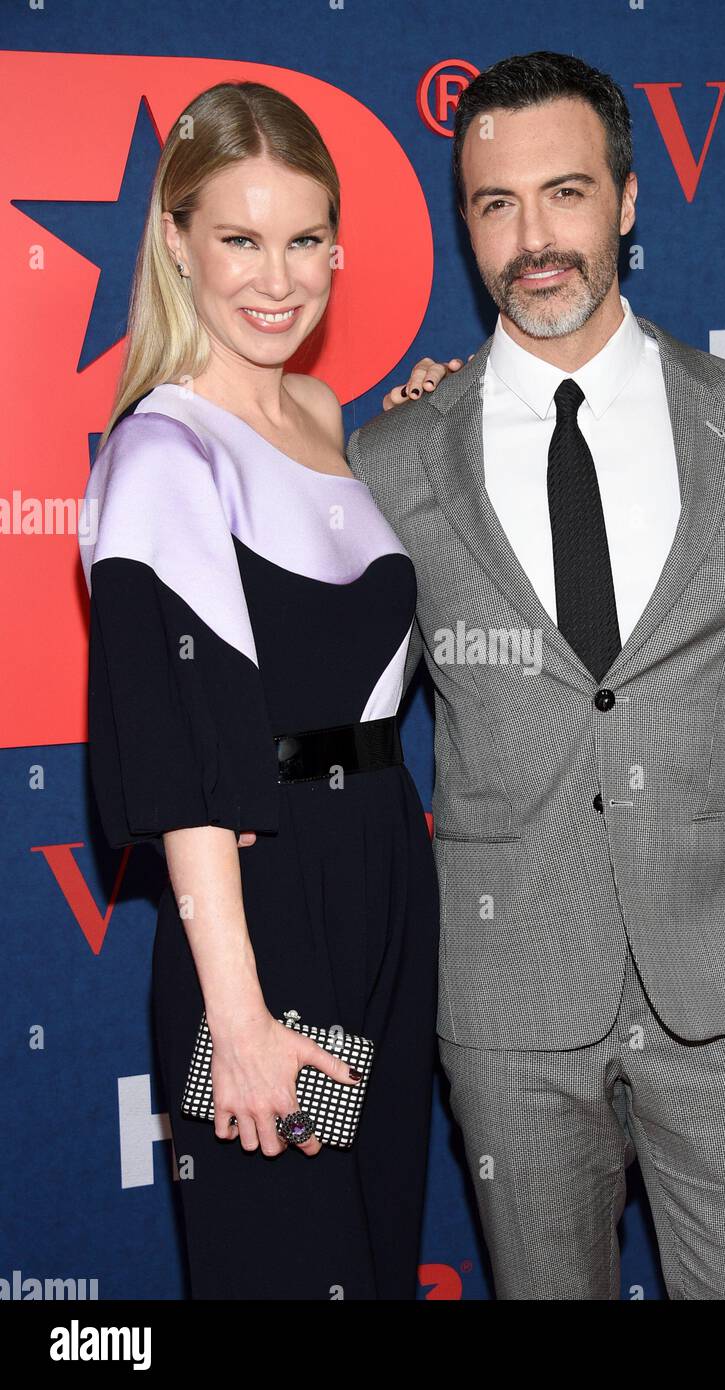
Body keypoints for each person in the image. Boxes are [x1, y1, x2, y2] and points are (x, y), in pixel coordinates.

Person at [347, 51, 725, 1300]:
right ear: (465, 223)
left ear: (627, 200)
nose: (533, 239)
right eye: (496, 205)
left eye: (563, 194)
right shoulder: (392, 457)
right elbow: (342, 733)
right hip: (506, 1002)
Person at [79, 80, 457, 1300]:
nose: (275, 279)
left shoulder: (323, 409)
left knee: (372, 1249)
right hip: (260, 894)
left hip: (389, 865)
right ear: (177, 240)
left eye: (303, 241)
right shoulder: (159, 450)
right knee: (287, 1265)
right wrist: (236, 1019)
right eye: (238, 238)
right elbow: (182, 760)